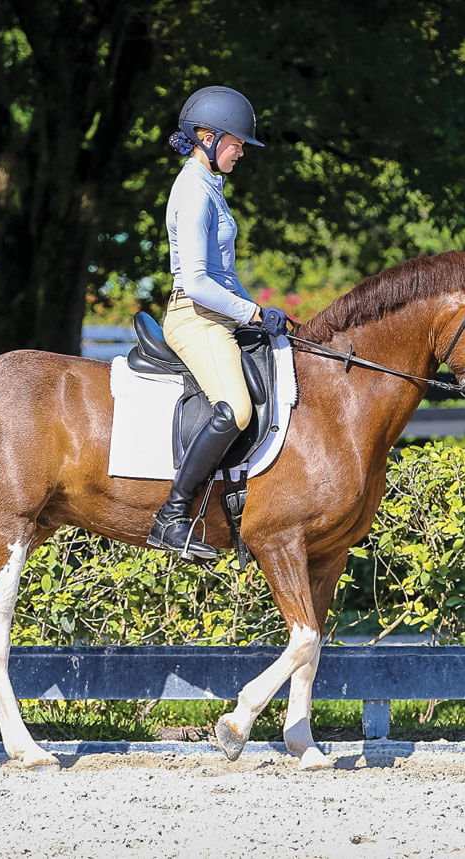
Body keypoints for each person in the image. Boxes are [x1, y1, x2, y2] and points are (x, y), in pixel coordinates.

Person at [147, 85, 288, 560]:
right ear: (207, 137)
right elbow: (197, 281)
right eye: (237, 142)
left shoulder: (211, 186)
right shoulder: (191, 190)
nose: (242, 150)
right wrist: (251, 312)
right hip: (196, 317)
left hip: (221, 314)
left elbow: (226, 275)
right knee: (237, 409)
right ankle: (172, 516)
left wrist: (263, 317)